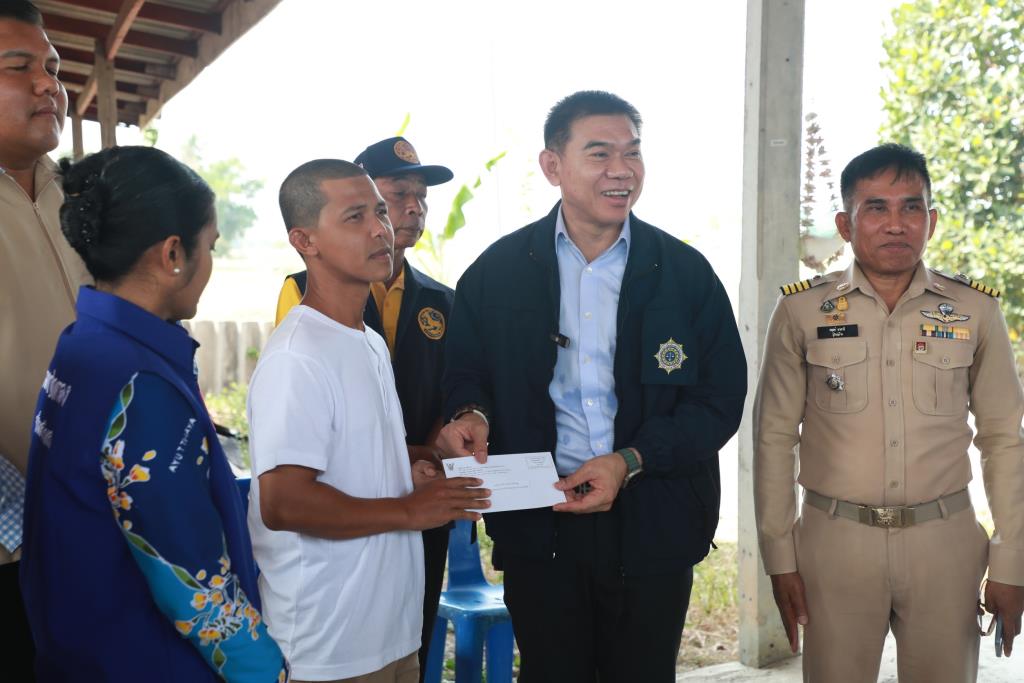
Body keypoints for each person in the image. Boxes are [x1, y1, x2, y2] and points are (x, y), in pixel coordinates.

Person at [436, 90, 747, 682]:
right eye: (599, 153)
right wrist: (470, 413)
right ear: (552, 166)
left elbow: (719, 401)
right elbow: (465, 373)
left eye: (632, 153)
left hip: (655, 524)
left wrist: (631, 460)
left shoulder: (684, 275)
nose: (621, 170)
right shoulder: (496, 274)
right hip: (539, 523)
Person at [754, 143, 1024, 682]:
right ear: (846, 224)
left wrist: (1012, 559)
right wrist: (779, 555)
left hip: (943, 543)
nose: (895, 224)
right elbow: (773, 438)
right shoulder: (801, 310)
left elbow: (1003, 439)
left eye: (912, 207)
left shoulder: (975, 310)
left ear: (932, 219)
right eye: (876, 207)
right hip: (835, 545)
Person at [19, 146, 287, 682]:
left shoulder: (83, 343)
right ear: (172, 255)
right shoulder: (140, 385)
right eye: (209, 245)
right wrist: (268, 673)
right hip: (146, 659)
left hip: (81, 650)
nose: (210, 261)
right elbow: (191, 583)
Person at [249, 159, 488, 683]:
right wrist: (410, 509)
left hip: (391, 629)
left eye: (379, 212)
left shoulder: (368, 341)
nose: (380, 228)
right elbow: (283, 501)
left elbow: (365, 460)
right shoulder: (298, 355)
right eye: (354, 216)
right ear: (304, 240)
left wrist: (426, 465)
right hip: (330, 643)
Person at [0, 3, 91, 676]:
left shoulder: (86, 201)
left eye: (54, 68)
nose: (48, 85)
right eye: (19, 66)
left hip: (96, 525)